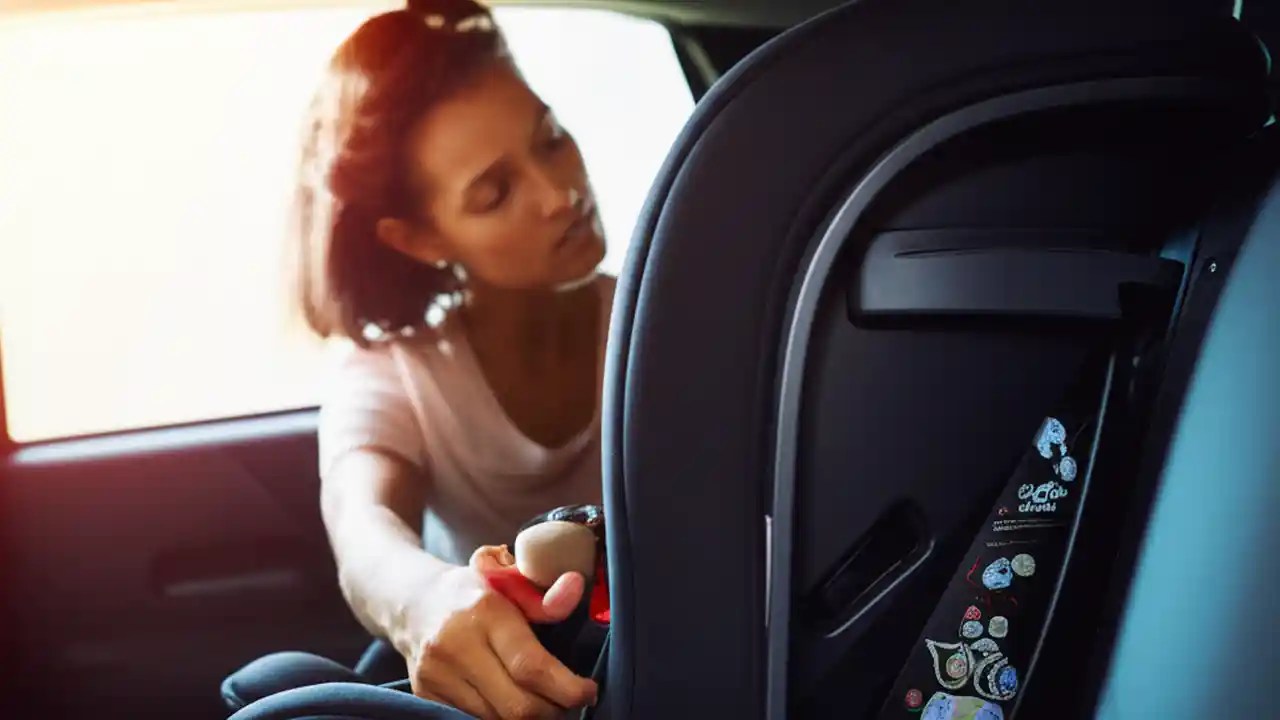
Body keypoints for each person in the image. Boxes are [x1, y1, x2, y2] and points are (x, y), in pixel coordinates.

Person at [222, 1, 613, 718]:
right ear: (418, 239)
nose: (561, 194)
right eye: (495, 193)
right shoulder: (390, 372)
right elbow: (363, 531)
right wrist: (426, 601)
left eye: (551, 138)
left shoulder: (664, 315)